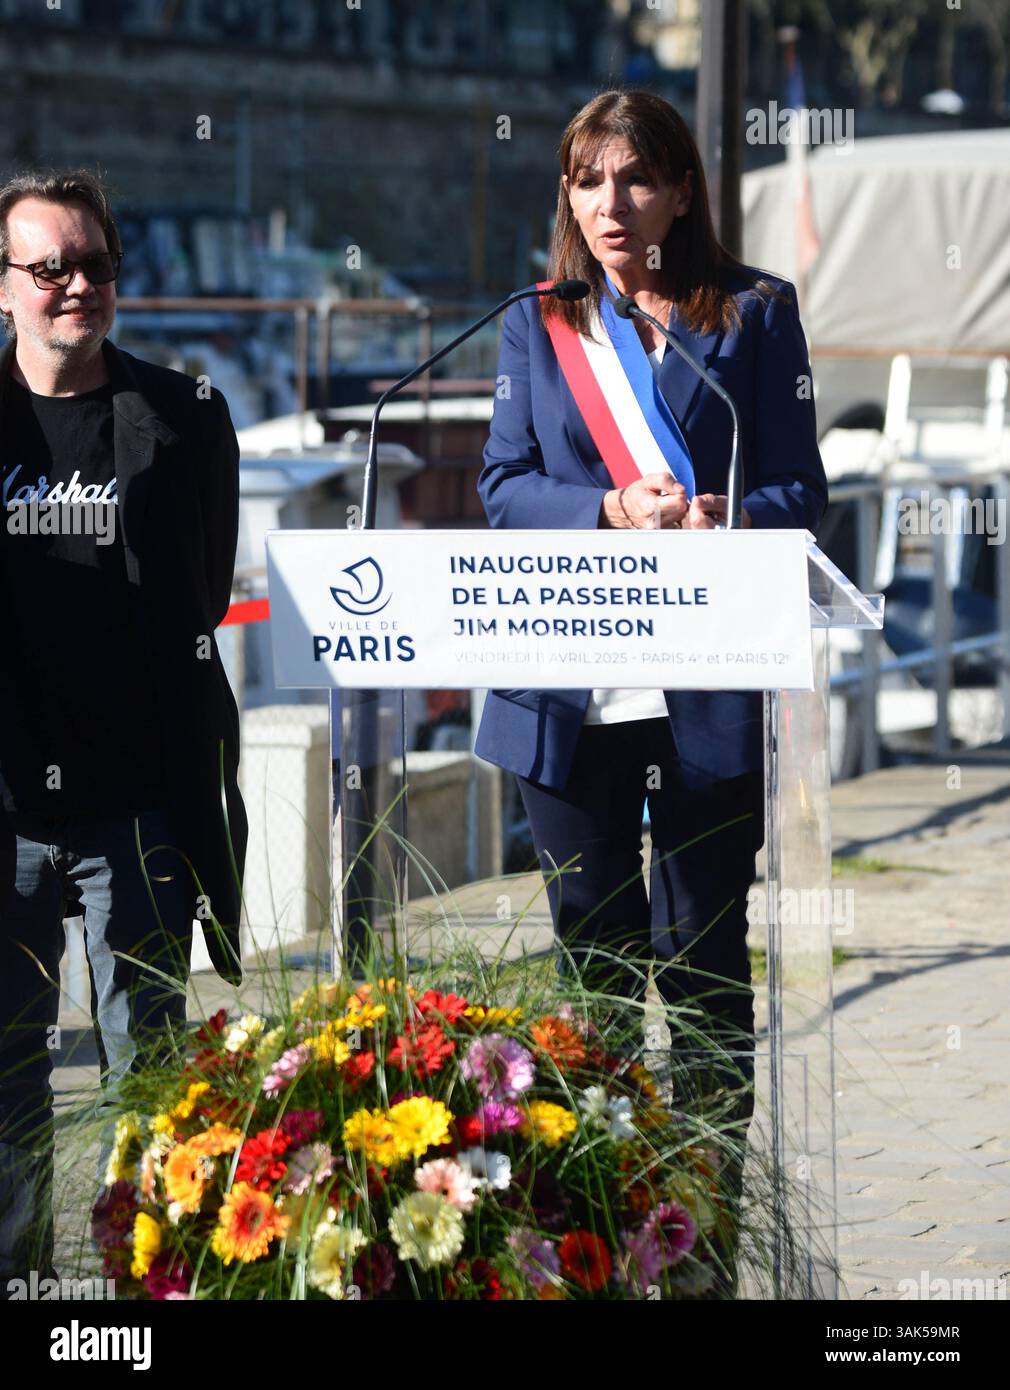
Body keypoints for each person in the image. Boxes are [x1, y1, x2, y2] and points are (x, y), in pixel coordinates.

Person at [473, 90, 828, 1285]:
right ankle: (597, 1224)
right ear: (564, 195)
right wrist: (608, 508)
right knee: (591, 958)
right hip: (564, 686)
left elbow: (801, 493)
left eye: (633, 179)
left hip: (703, 682)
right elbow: (503, 485)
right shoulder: (536, 321)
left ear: (679, 188)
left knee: (702, 953)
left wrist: (729, 516)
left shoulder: (757, 314)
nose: (609, 205)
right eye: (585, 181)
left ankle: (706, 1225)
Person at [0, 169, 247, 1292]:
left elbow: (204, 588)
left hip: (138, 799)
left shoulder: (185, 417)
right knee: (6, 1082)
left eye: (95, 264)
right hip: (1, 806)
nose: (76, 286)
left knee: (146, 1077)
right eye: (49, 266)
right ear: (6, 286)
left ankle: (137, 1298)